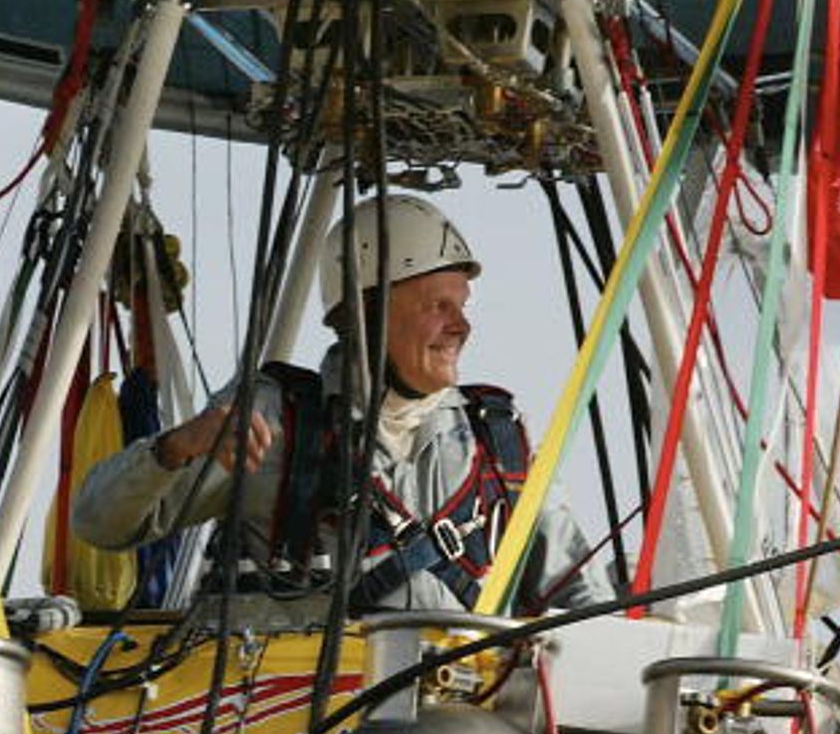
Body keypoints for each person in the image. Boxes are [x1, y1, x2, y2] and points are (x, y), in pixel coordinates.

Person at [72, 195, 608, 613]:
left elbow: (580, 601)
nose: (461, 326)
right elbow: (99, 523)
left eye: (461, 306)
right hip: (302, 732)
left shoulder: (498, 440)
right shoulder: (274, 418)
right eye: (437, 306)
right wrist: (174, 448)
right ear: (365, 311)